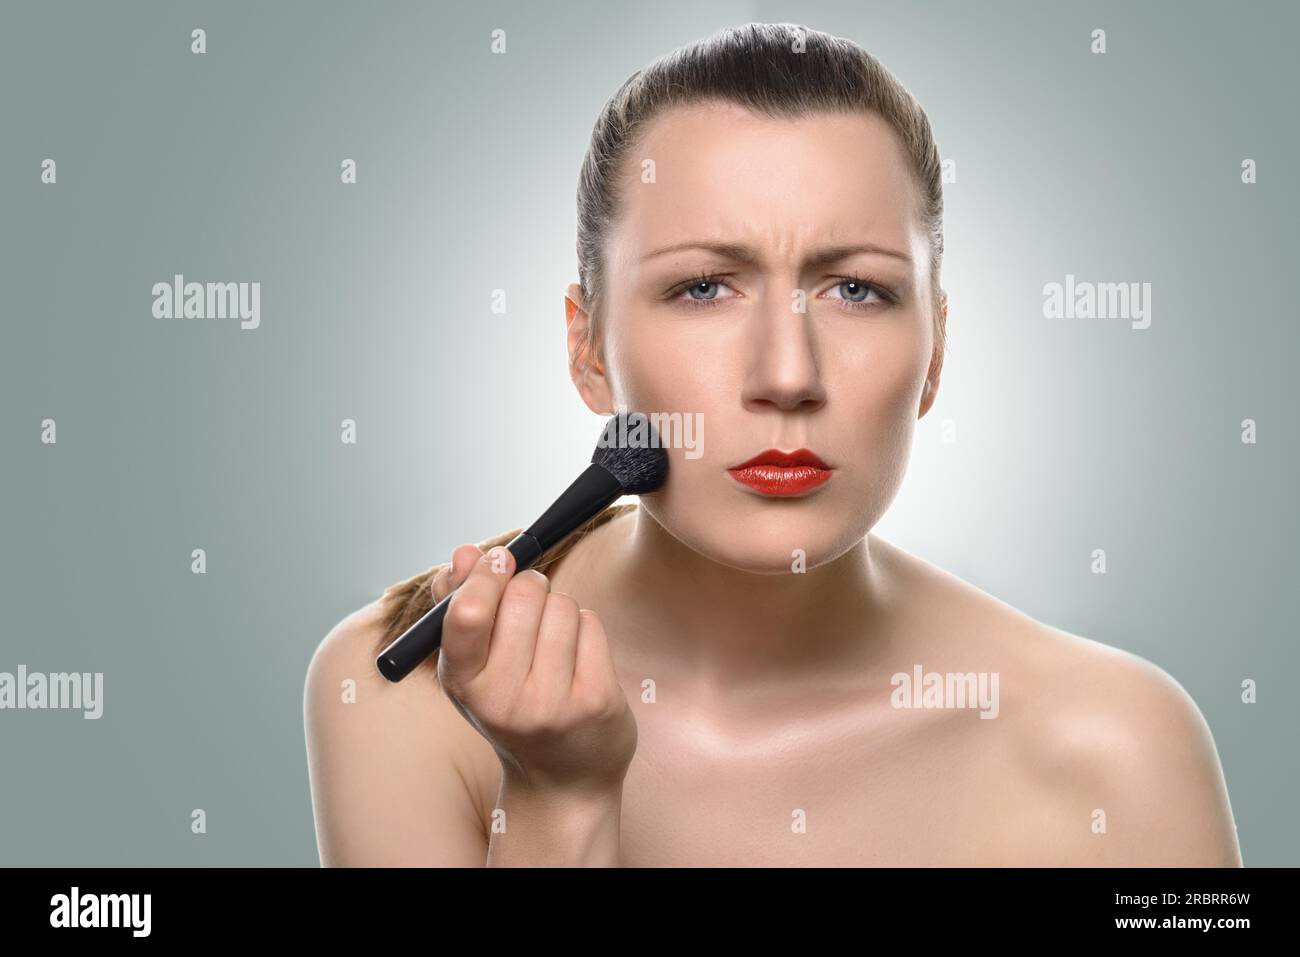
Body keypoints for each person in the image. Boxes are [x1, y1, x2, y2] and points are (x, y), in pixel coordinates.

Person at [304, 22, 1242, 867]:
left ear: (937, 354)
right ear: (586, 349)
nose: (787, 372)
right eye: (706, 287)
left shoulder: (1119, 750)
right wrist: (558, 798)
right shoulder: (402, 694)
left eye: (857, 290)